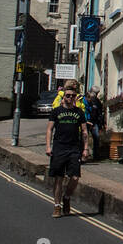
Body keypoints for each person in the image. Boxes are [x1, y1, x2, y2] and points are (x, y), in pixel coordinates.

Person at [45, 81, 91, 217]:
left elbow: (84, 131)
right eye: (68, 96)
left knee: (75, 177)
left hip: (74, 148)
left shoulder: (79, 112)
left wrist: (86, 149)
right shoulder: (56, 112)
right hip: (59, 147)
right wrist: (48, 146)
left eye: (72, 96)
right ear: (63, 96)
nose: (70, 98)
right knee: (58, 178)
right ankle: (57, 206)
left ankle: (67, 197)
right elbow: (49, 130)